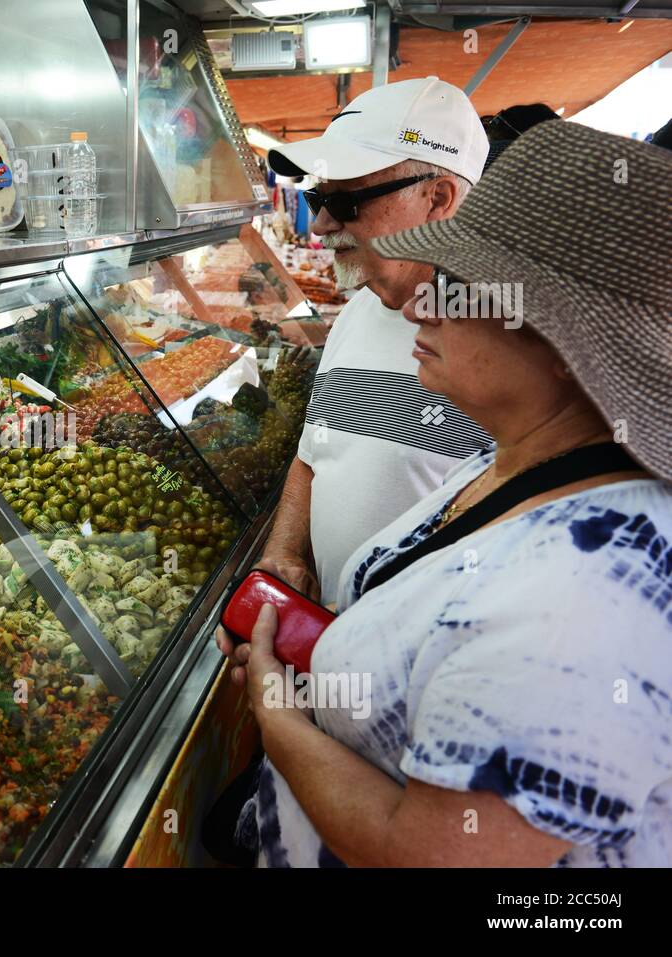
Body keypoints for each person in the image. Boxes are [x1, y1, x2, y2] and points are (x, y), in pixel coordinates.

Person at [217, 119, 672, 867]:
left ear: (565, 344)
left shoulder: (590, 593)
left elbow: (426, 851)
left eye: (457, 286)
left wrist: (274, 710)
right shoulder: (522, 459)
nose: (425, 305)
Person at [259, 76, 492, 600]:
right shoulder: (359, 310)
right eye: (318, 197)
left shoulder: (506, 348)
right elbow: (314, 453)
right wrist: (286, 554)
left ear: (438, 198)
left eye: (345, 202)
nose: (319, 224)